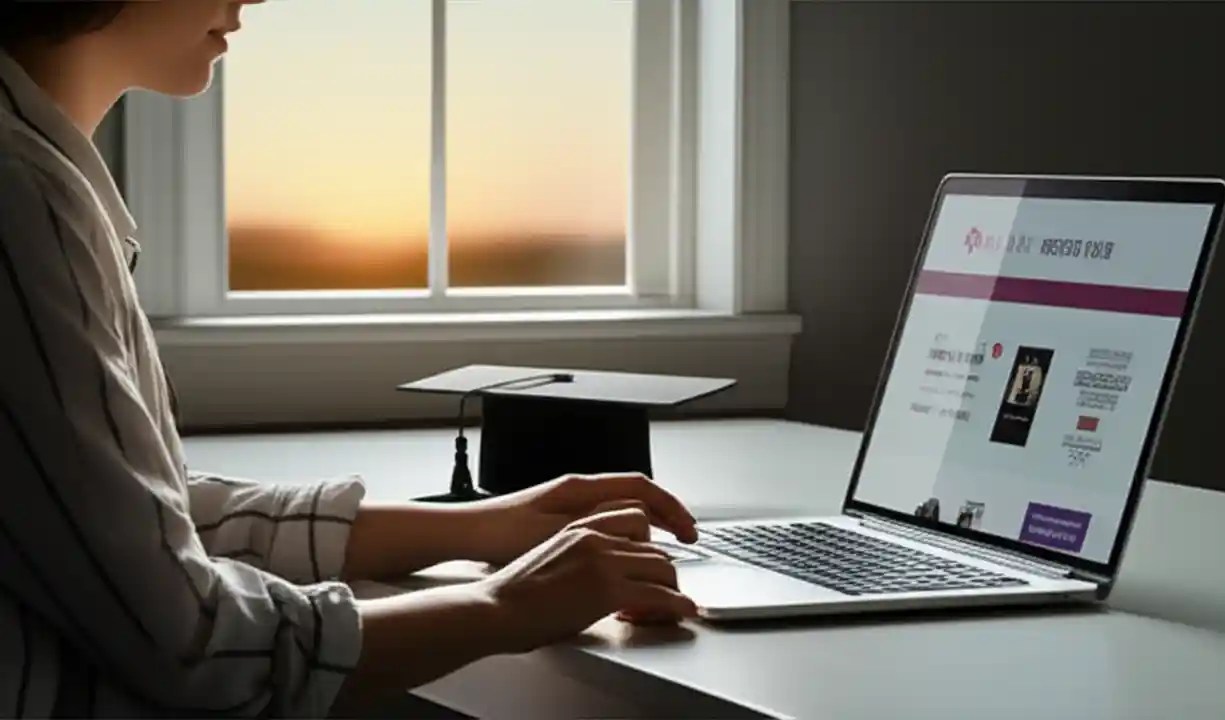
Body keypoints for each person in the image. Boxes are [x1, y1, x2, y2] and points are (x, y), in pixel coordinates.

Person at [0, 1, 700, 716]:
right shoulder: (20, 202)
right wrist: (506, 604)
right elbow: (189, 641)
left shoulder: (42, 181)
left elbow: (134, 521)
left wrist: (485, 526)